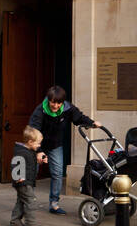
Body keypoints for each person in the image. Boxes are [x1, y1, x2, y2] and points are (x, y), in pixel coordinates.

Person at [28, 84, 97, 214]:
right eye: (53, 102)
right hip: (37, 145)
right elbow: (33, 131)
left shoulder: (67, 108)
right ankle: (27, 200)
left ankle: (54, 204)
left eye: (58, 103)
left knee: (57, 174)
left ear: (62, 102)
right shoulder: (40, 111)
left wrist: (92, 123)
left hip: (55, 145)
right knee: (31, 173)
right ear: (48, 100)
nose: (55, 106)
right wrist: (38, 151)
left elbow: (79, 118)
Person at [10, 125, 47, 226]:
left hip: (27, 180)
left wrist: (40, 160)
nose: (39, 145)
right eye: (38, 143)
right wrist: (18, 177)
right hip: (23, 181)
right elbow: (16, 164)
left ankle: (15, 221)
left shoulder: (29, 151)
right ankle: (31, 223)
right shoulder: (21, 152)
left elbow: (29, 164)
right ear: (30, 142)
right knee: (31, 200)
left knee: (21, 201)